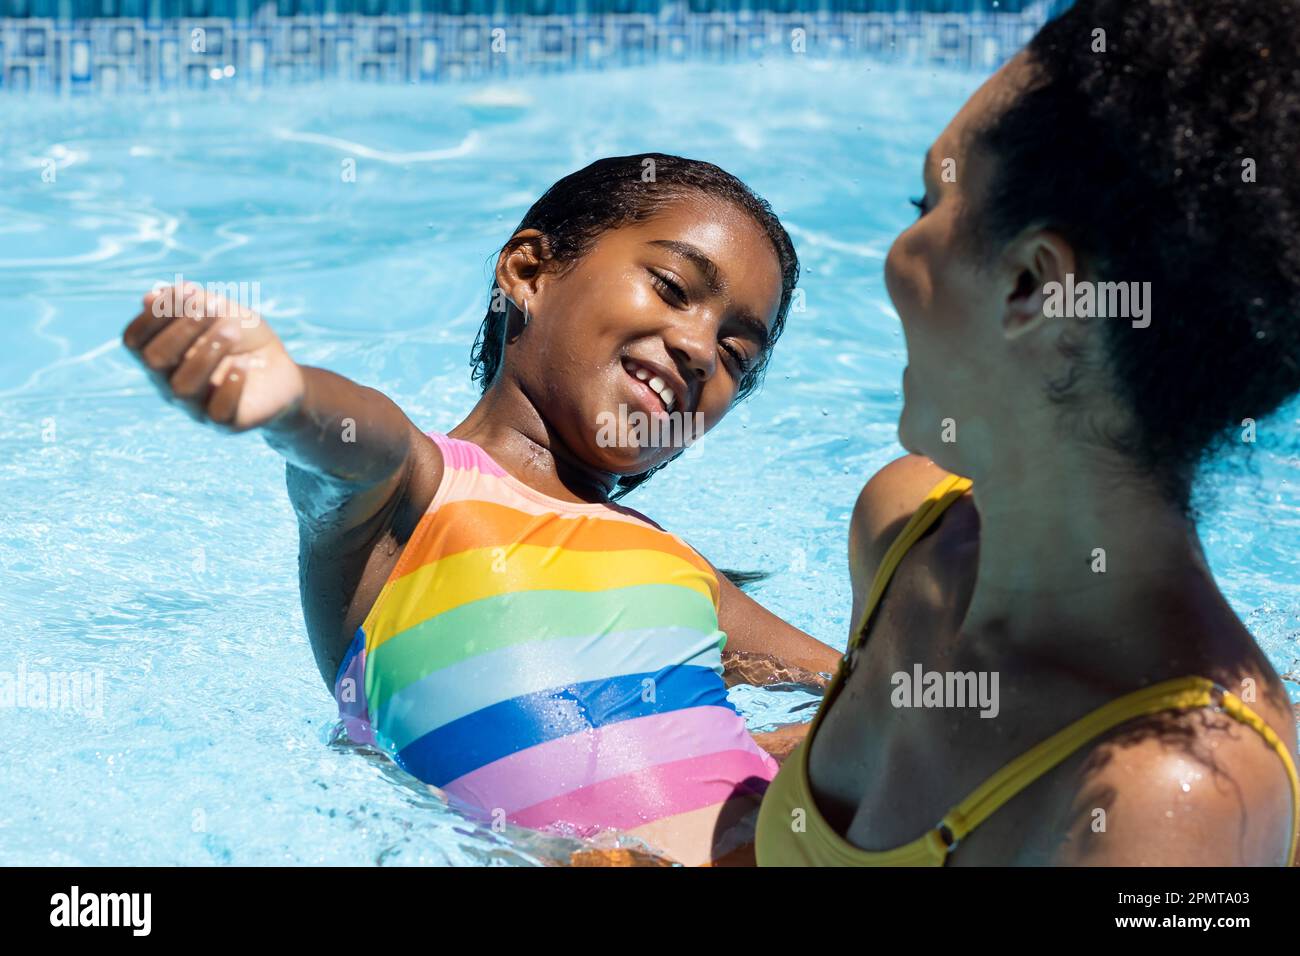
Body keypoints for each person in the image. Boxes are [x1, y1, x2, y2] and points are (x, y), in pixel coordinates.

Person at [122, 153, 840, 867]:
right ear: (528, 272)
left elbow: (872, 698)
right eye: (671, 287)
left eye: (736, 353)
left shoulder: (680, 568)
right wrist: (288, 399)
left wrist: (775, 751)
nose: (697, 348)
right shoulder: (417, 498)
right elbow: (358, 445)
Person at [757, 0, 1300, 866]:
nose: (895, 255)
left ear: (1034, 287)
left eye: (927, 200)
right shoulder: (902, 534)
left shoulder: (1168, 802)